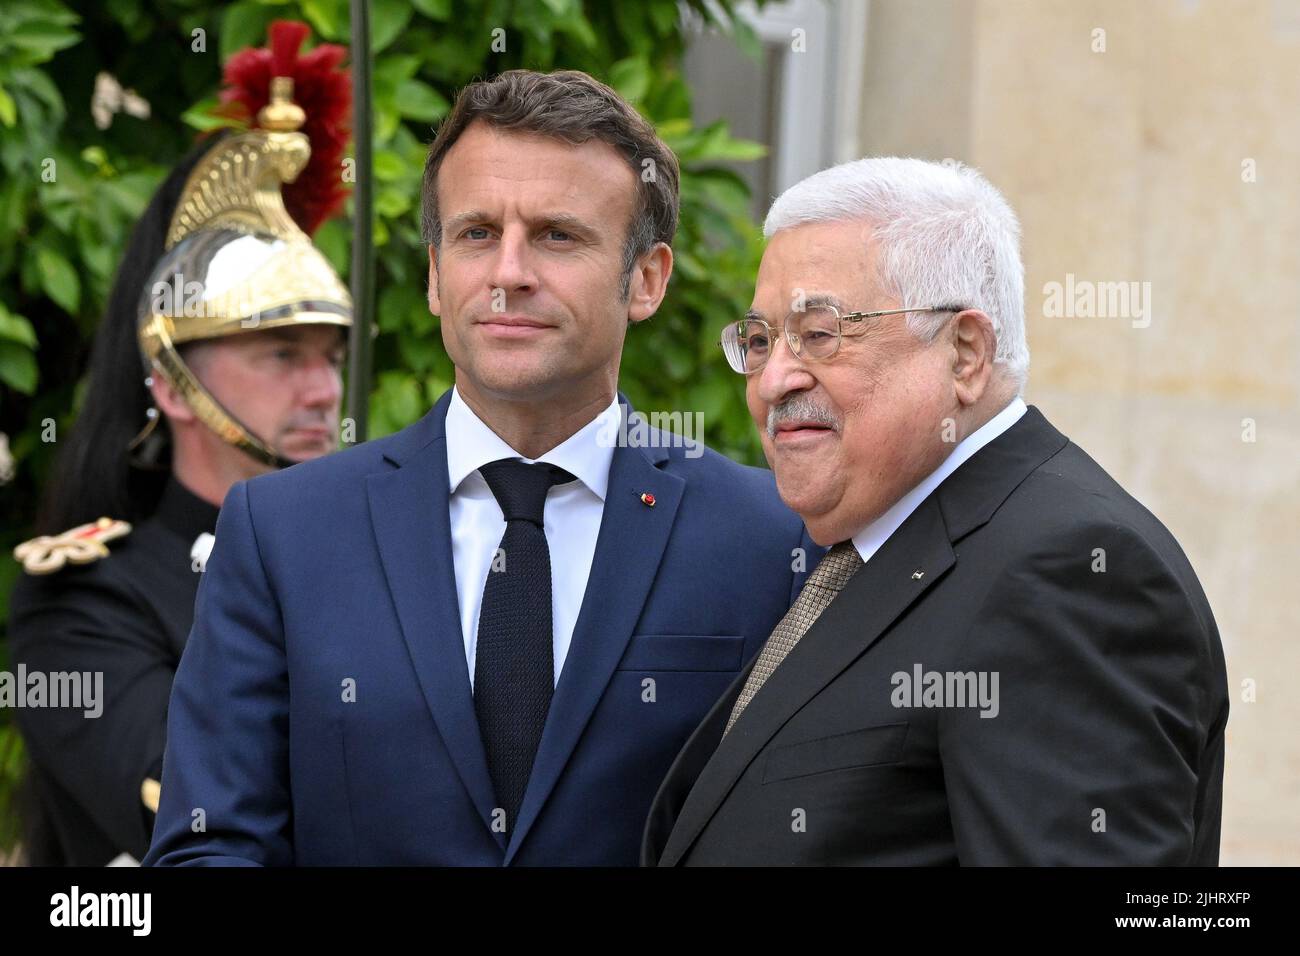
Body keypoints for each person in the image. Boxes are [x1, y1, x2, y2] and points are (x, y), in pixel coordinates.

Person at [143, 69, 811, 867]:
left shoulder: (772, 538)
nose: (509, 273)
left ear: (647, 279)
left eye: (558, 235)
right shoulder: (283, 534)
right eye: (476, 234)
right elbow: (209, 848)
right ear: (433, 274)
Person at [643, 156, 1229, 866]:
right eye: (761, 340)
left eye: (820, 332)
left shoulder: (1070, 572)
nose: (773, 379)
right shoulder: (874, 542)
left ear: (965, 352)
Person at [7, 21, 352, 866]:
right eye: (281, 356)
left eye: (330, 357)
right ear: (171, 386)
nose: (323, 390)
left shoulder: (374, 555)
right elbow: (197, 813)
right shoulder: (85, 600)